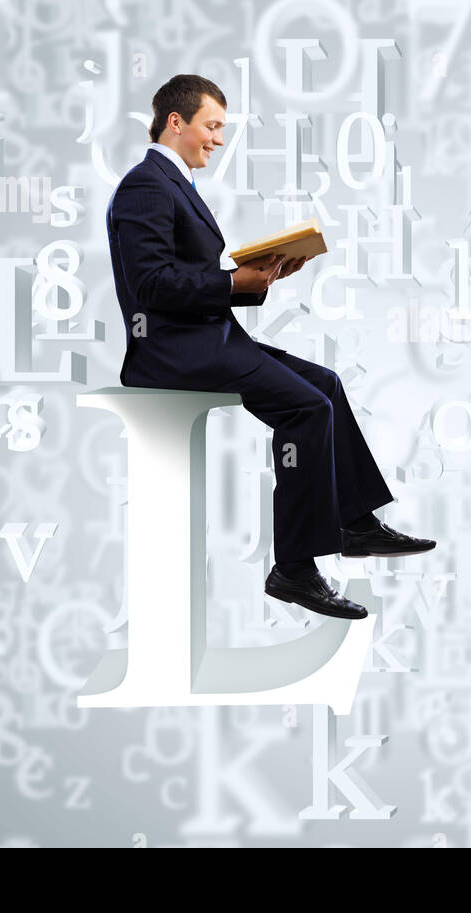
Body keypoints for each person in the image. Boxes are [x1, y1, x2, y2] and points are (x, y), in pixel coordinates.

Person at [105, 73, 435, 619]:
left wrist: (264, 274)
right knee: (307, 408)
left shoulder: (173, 184)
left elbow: (181, 275)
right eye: (211, 126)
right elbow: (151, 285)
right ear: (175, 122)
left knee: (324, 383)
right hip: (172, 354)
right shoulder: (147, 185)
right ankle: (295, 569)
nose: (217, 138)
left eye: (222, 129)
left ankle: (354, 523)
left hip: (207, 338)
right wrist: (234, 284)